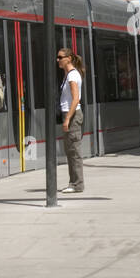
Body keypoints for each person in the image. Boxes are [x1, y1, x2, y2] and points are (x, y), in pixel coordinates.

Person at [57, 48, 85, 194]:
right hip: (70, 114)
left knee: (74, 151)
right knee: (70, 151)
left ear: (68, 58)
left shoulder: (72, 76)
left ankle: (77, 184)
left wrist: (67, 118)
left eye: (60, 57)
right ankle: (73, 182)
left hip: (72, 115)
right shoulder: (68, 75)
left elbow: (75, 99)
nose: (58, 60)